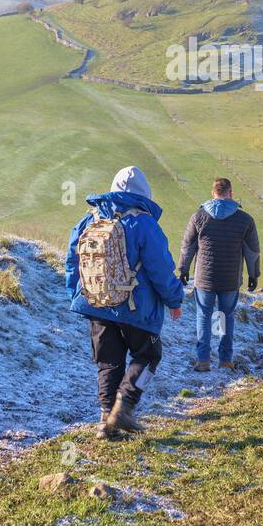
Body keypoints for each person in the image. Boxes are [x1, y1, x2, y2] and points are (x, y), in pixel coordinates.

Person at [65, 166, 183, 438]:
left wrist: (77, 294)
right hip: (136, 308)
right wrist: (174, 299)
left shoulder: (89, 219)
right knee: (149, 356)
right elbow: (160, 269)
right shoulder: (144, 223)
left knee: (109, 362)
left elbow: (73, 260)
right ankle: (125, 405)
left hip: (96, 303)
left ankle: (106, 421)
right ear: (144, 194)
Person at [177, 178, 260, 372]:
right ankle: (225, 359)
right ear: (230, 193)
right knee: (225, 315)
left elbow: (187, 247)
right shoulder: (245, 220)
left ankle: (203, 360)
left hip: (205, 278)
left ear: (213, 193)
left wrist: (183, 269)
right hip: (230, 278)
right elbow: (252, 251)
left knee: (204, 316)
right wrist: (253, 274)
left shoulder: (198, 217)